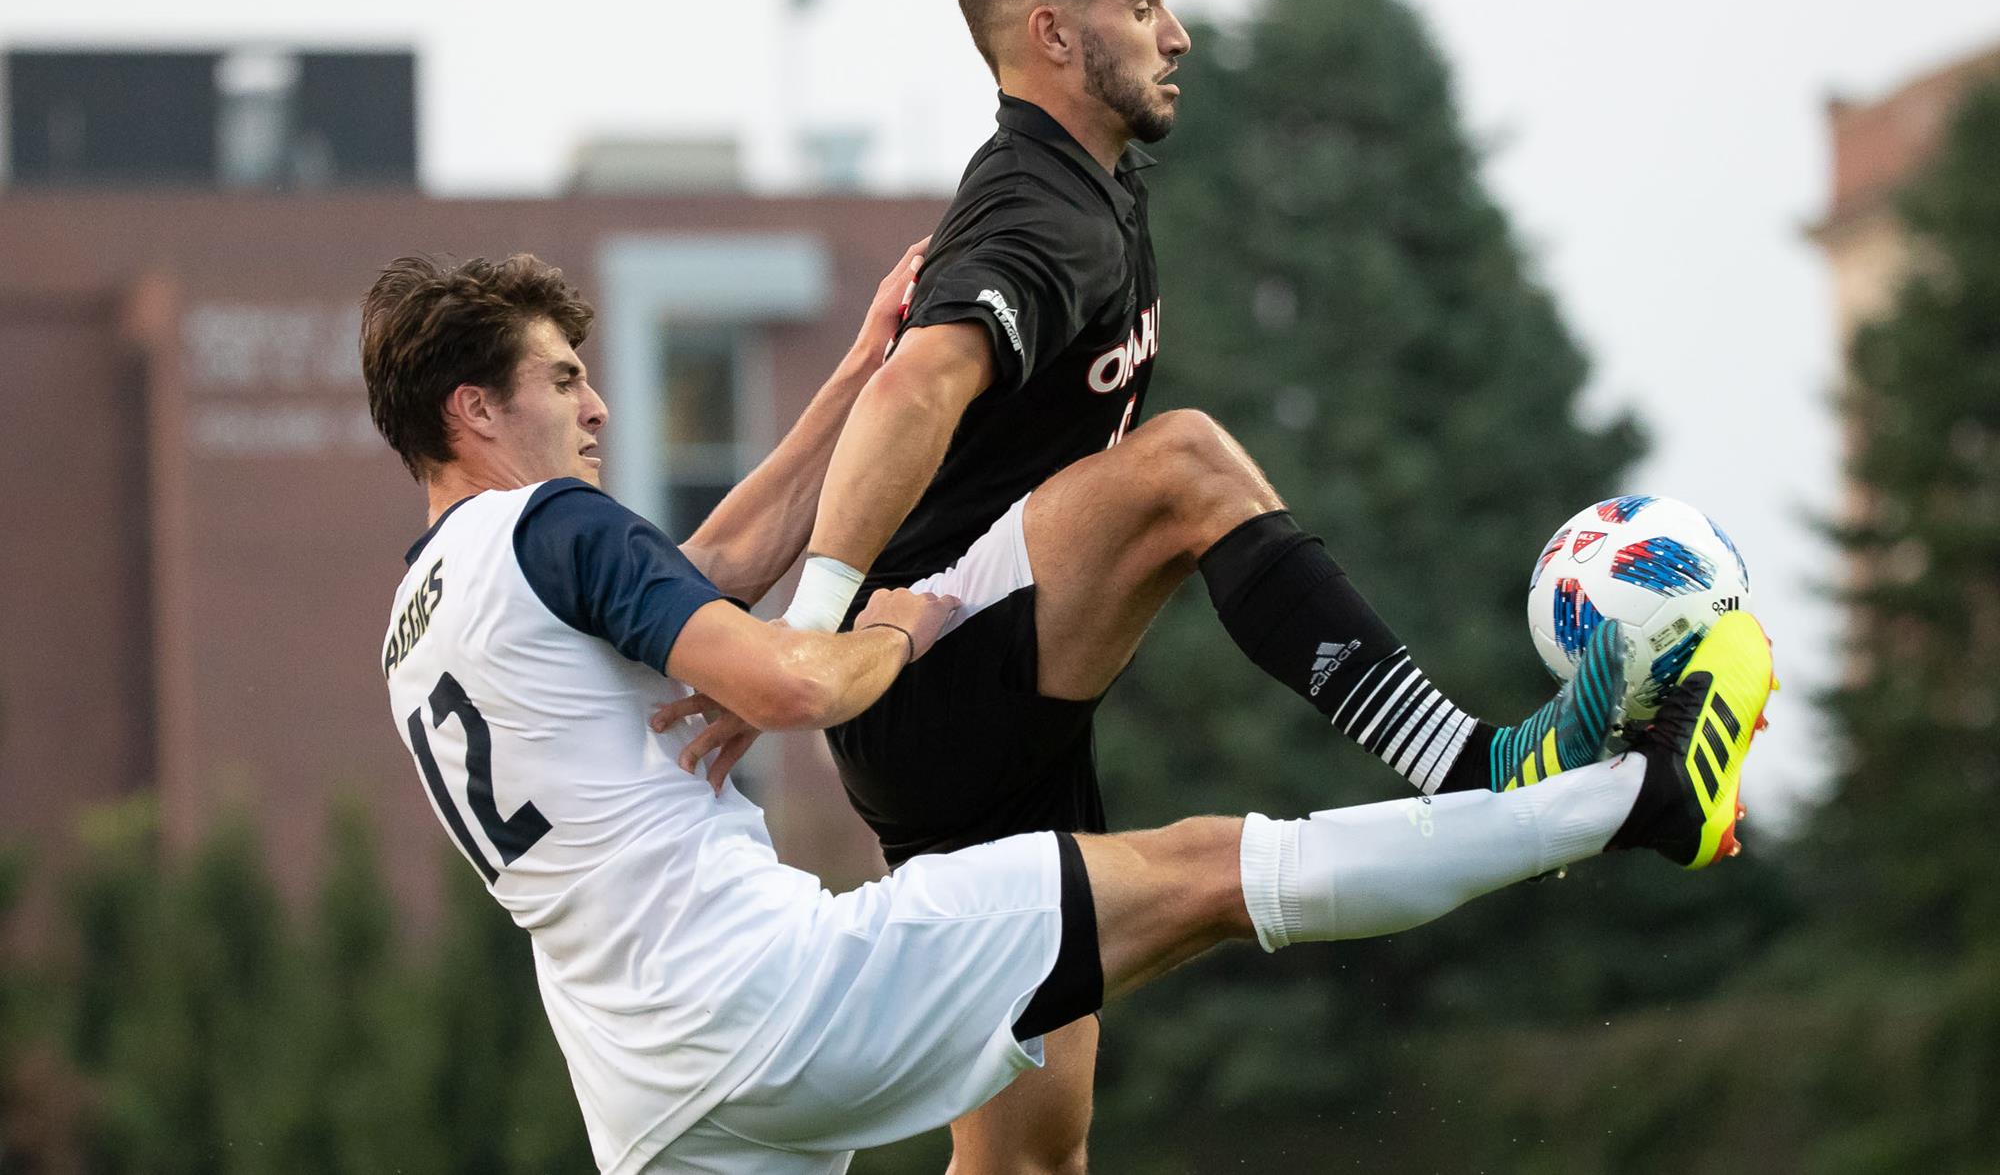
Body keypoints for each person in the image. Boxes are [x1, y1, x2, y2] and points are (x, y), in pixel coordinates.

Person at [363, 248, 1778, 1174]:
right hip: (775, 994)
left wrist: (858, 378)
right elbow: (791, 680)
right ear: (476, 411)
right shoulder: (549, 520)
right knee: (1219, 871)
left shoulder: (417, 627)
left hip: (640, 1090)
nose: (598, 407)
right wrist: (896, 628)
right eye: (564, 380)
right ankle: (1635, 796)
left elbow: (707, 568)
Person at [671, 0, 1627, 1171]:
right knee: (1185, 471)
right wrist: (804, 644)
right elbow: (915, 384)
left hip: (996, 727)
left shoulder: (1094, 192)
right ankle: (1476, 766)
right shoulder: (1036, 208)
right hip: (944, 677)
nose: (1176, 35)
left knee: (1032, 1156)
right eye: (1146, 4)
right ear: (1056, 35)